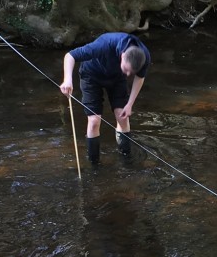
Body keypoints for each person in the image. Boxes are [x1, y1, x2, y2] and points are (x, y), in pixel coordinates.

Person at [59, 32, 151, 166]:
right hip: (91, 75)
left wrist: (130, 104)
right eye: (126, 70)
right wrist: (67, 79)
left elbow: (140, 78)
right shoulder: (103, 46)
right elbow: (70, 56)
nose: (128, 74)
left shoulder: (143, 56)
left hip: (116, 79)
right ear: (122, 56)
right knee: (94, 120)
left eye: (131, 73)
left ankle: (126, 160)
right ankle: (94, 164)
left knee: (122, 117)